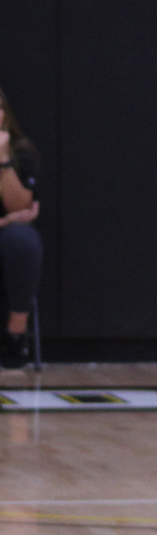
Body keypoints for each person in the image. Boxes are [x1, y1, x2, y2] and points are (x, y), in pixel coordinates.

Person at [0, 87, 42, 371]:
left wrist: (3, 160)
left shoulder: (20, 151)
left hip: (6, 238)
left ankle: (16, 333)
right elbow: (14, 215)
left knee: (23, 240)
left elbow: (20, 207)